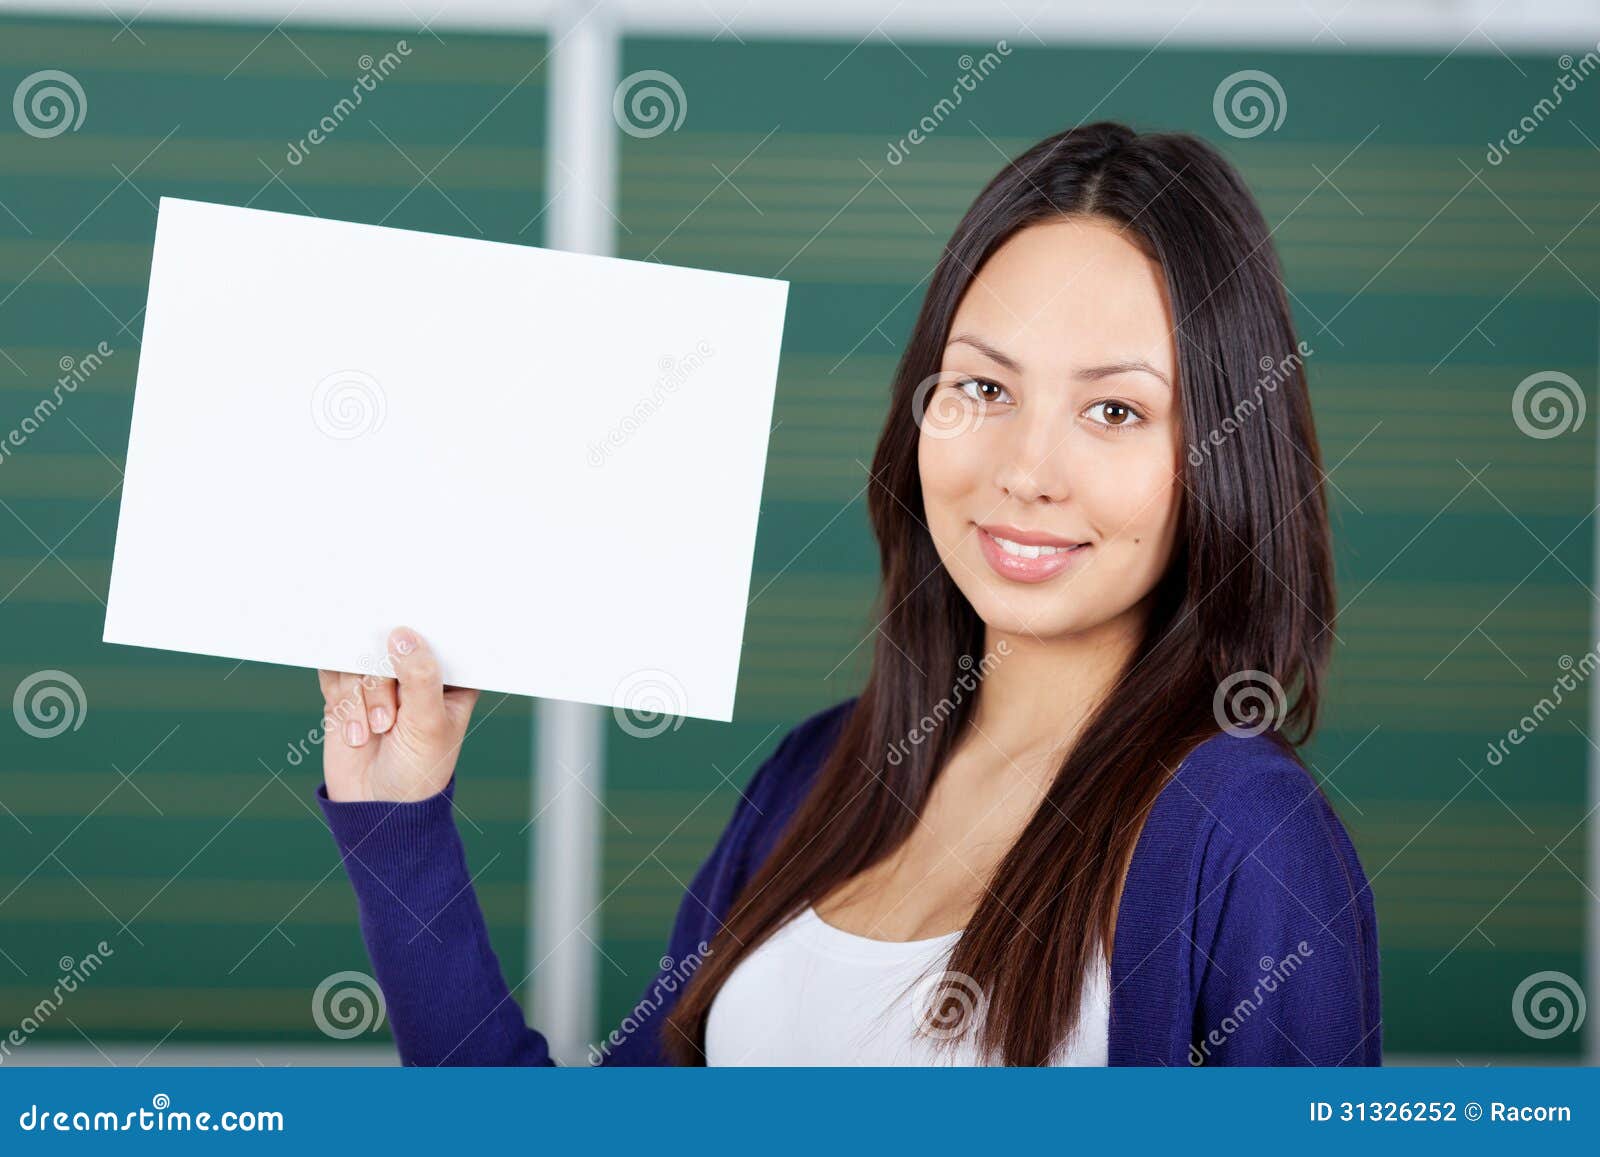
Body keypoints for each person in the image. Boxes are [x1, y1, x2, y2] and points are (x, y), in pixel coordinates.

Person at [312, 120, 1381, 1067]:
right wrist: (397, 817)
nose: (1024, 469)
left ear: (1220, 455)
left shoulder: (1246, 833)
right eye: (983, 386)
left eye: (1113, 412)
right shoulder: (813, 776)